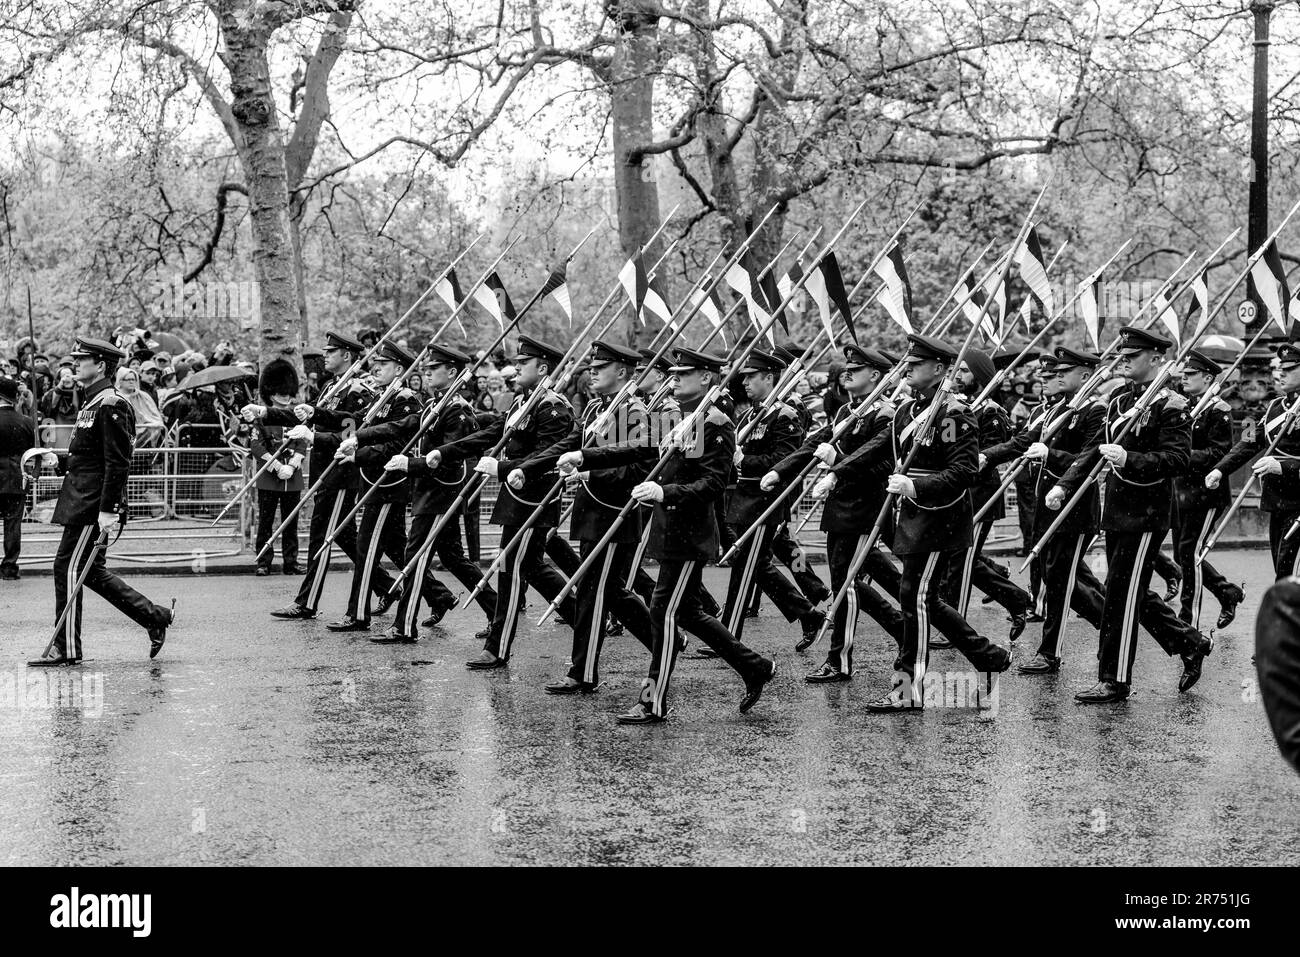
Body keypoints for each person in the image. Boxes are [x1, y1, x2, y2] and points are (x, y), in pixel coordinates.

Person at [562, 346, 776, 724]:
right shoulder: (680, 417)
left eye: (683, 373)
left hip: (690, 535)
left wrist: (666, 492)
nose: (673, 379)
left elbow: (712, 483)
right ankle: (754, 666)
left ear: (706, 378)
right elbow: (636, 447)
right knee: (688, 612)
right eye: (673, 373)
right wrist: (586, 458)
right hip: (669, 532)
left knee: (663, 612)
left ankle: (653, 700)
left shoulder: (716, 423)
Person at [1050, 326, 1214, 703]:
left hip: (1147, 512)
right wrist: (1066, 484)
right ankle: (1190, 642)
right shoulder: (1119, 401)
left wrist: (1131, 459)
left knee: (1121, 597)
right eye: (1123, 355)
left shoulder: (1172, 405)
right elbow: (1094, 449)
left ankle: (1115, 678)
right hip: (1118, 507)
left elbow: (1177, 460)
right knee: (1127, 593)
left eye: (1132, 356)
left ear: (1156, 359)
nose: (1123, 361)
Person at [867, 334, 1013, 712]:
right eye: (908, 364)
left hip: (939, 517)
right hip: (913, 515)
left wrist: (915, 485)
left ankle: (908, 688)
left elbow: (964, 471)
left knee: (913, 598)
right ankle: (988, 656)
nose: (908, 369)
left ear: (938, 369)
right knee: (924, 598)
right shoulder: (906, 410)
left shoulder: (954, 412)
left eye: (916, 365)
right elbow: (883, 450)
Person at [514, 340, 656, 692]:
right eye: (592, 367)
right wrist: (530, 468)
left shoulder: (634, 412)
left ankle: (583, 672)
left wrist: (589, 473)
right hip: (592, 512)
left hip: (615, 516)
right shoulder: (596, 408)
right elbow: (570, 444)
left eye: (600, 367)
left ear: (621, 371)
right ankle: (664, 641)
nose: (591, 372)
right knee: (611, 593)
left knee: (594, 595)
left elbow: (640, 469)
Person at [430, 335, 576, 669]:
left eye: (523, 364)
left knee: (510, 572)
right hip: (517, 499)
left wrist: (504, 467)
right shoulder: (524, 400)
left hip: (534, 501)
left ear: (542, 368)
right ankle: (582, 614)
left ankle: (498, 647)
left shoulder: (551, 405)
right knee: (533, 569)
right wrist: (444, 451)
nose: (516, 369)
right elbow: (492, 433)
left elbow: (547, 456)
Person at [27, 338, 174, 667]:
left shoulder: (111, 403)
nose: (76, 363)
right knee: (90, 573)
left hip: (92, 505)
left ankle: (66, 648)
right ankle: (155, 617)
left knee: (66, 569)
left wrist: (109, 509)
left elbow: (118, 462)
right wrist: (56, 460)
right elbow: (86, 458)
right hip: (82, 499)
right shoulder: (94, 401)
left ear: (101, 365)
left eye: (84, 358)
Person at [764, 344, 906, 682]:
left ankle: (839, 659)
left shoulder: (885, 415)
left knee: (846, 586)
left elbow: (883, 466)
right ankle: (903, 629)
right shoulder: (846, 413)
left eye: (855, 370)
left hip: (864, 509)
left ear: (874, 376)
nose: (847, 374)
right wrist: (781, 470)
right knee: (846, 582)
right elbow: (813, 443)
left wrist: (836, 464)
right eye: (847, 369)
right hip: (840, 509)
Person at [251, 332, 396, 620]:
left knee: (321, 537)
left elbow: (351, 434)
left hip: (341, 473)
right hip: (325, 472)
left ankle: (307, 602)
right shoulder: (332, 386)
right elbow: (305, 417)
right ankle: (392, 586)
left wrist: (315, 437)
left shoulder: (357, 391)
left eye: (331, 351)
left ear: (346, 356)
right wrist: (266, 412)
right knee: (342, 537)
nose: (325, 356)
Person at [983, 346, 1107, 674]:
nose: (1049, 380)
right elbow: (1020, 442)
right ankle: (1113, 624)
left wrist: (1050, 454)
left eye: (1058, 374)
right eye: (1051, 375)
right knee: (1064, 579)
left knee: (1059, 582)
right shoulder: (1054, 410)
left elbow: (1089, 460)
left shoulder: (1095, 410)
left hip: (1075, 508)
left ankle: (1051, 652)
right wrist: (987, 456)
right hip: (1047, 506)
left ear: (1084, 374)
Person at [369, 344, 499, 643]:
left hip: (441, 494)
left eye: (433, 369)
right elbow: (400, 426)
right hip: (429, 493)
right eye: (425, 369)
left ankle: (404, 625)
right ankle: (497, 611)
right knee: (453, 558)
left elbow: (449, 458)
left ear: (452, 372)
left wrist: (410, 465)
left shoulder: (457, 409)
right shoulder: (433, 405)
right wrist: (359, 437)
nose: (425, 374)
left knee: (414, 557)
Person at [717, 349, 825, 648]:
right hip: (744, 499)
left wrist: (743, 461)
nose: (746, 383)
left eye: (752, 377)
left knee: (750, 564)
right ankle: (809, 613)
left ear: (769, 377)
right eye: (745, 377)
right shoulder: (752, 414)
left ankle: (728, 636)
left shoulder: (785, 414)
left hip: (767, 500)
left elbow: (786, 460)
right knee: (754, 565)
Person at [329, 342, 422, 632]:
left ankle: (358, 614)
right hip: (373, 482)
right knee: (398, 549)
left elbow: (395, 445)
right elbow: (355, 426)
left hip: (388, 485)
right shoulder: (380, 398)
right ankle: (441, 596)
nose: (376, 368)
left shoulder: (404, 399)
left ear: (399, 369)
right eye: (376, 364)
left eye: (383, 364)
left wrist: (356, 455)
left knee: (366, 548)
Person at [943, 348, 1031, 639]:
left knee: (962, 561)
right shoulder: (955, 406)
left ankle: (954, 625)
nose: (958, 376)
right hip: (956, 491)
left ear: (980, 376)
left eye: (965, 371)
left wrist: (969, 461)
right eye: (957, 371)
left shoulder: (991, 411)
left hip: (981, 493)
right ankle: (1017, 599)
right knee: (957, 558)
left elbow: (994, 452)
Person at [1209, 341, 1300, 580]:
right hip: (1278, 501)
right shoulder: (1273, 408)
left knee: (1290, 576)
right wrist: (1221, 469)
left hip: (1299, 502)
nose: (1282, 374)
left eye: (1290, 368)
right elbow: (1249, 441)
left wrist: (1284, 467)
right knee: (1282, 572)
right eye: (1281, 368)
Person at [1169, 349, 1242, 629]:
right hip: (1180, 491)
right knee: (1182, 555)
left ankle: (1189, 619)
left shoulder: (1220, 410)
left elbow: (1220, 452)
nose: (1184, 378)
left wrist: (1183, 455)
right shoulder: (1184, 406)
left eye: (1190, 375)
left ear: (1208, 377)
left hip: (1205, 492)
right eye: (1184, 374)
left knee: (1191, 553)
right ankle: (1227, 592)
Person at [249, 359, 307, 576]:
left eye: (287, 391)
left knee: (290, 523)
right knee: (265, 522)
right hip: (269, 477)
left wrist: (291, 467)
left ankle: (290, 562)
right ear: (271, 392)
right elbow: (256, 445)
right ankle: (263, 562)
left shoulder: (297, 416)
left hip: (292, 477)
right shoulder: (262, 418)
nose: (285, 395)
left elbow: (302, 443)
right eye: (280, 391)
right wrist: (275, 467)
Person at [0, 378, 36, 579]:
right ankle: (9, 567)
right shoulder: (26, 422)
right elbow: (31, 450)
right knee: (13, 525)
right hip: (15, 479)